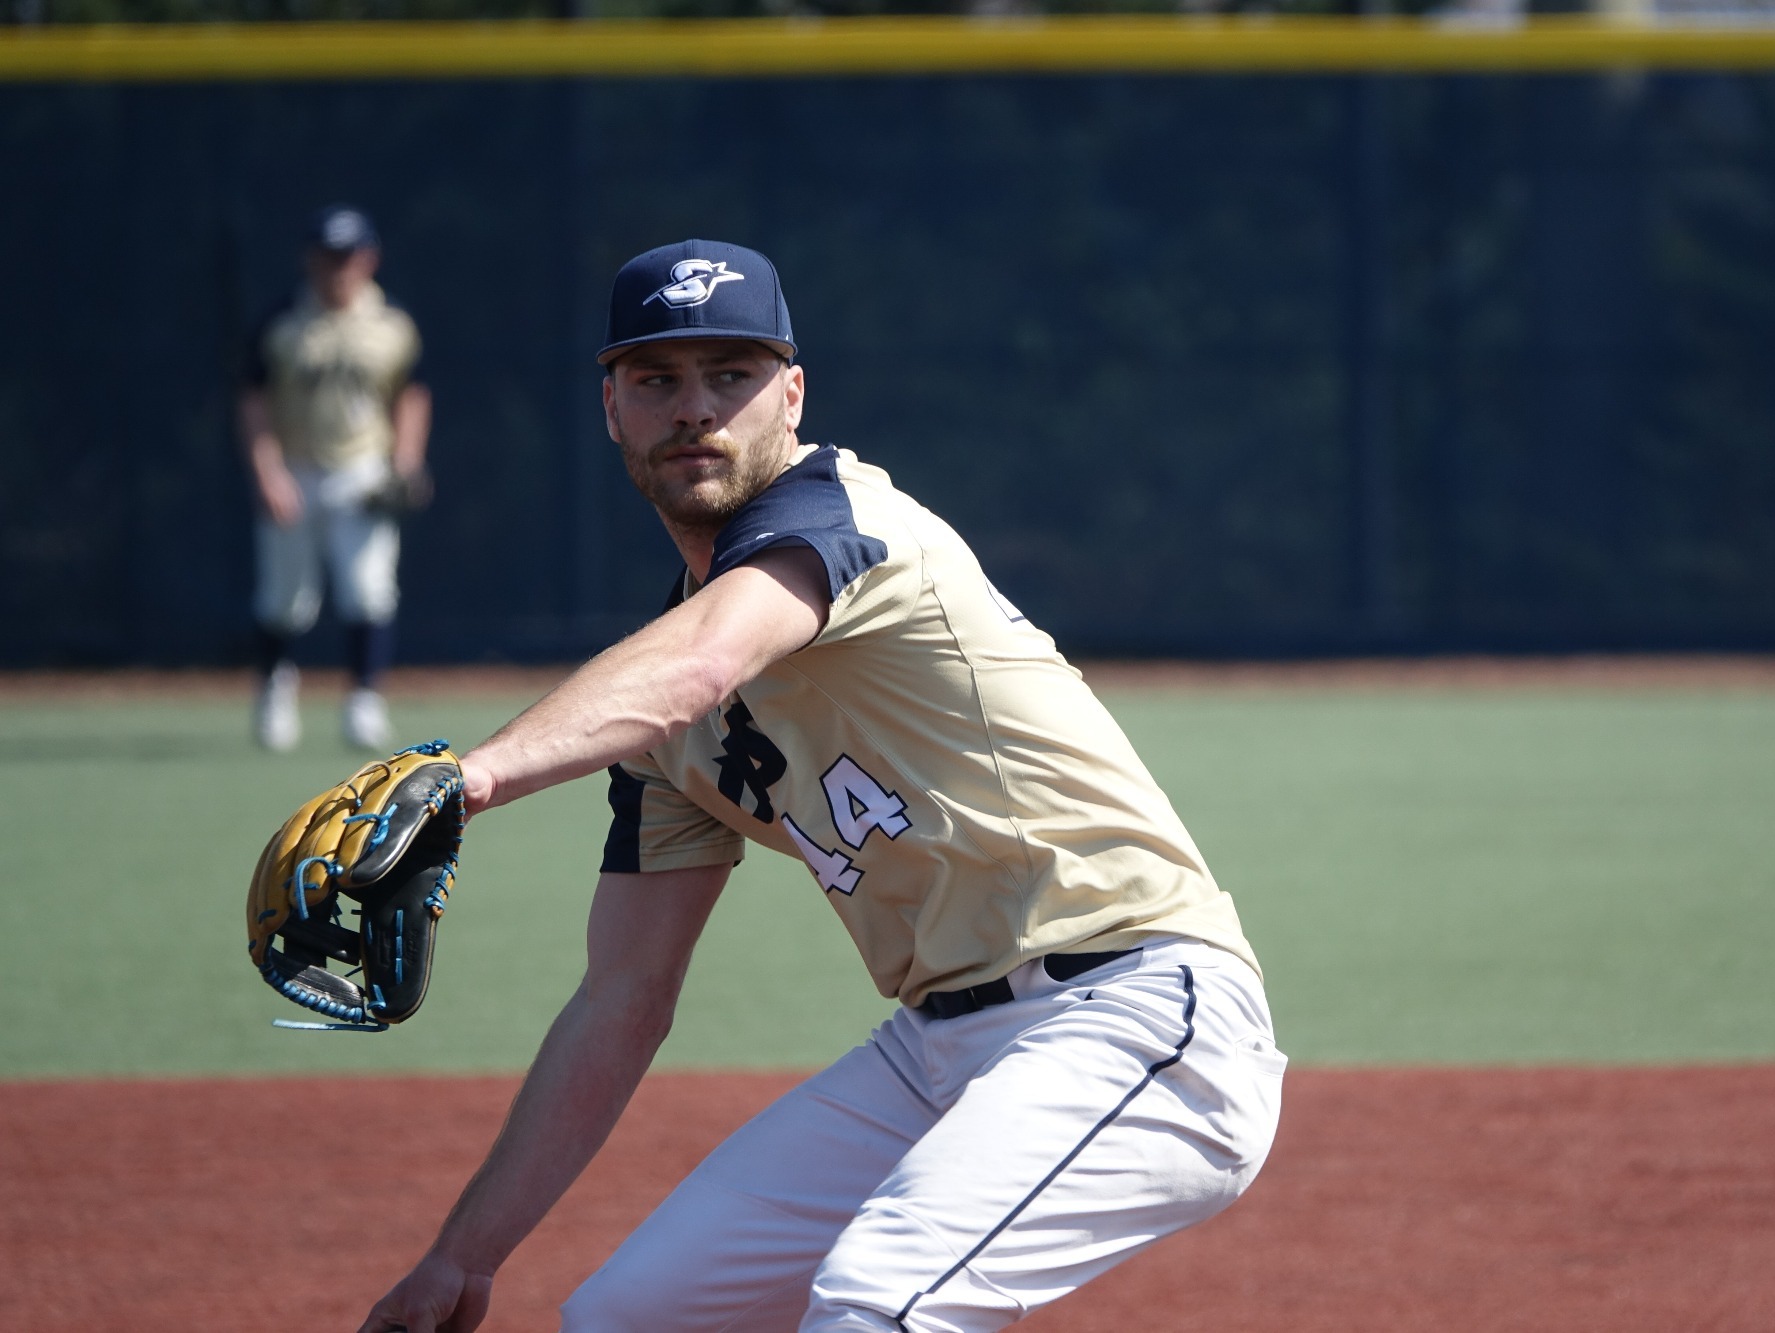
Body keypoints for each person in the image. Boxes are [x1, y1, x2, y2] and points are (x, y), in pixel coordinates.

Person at [359, 240, 1286, 1333]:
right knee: (624, 1319)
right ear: (611, 406)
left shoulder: (846, 523)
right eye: (657, 380)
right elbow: (621, 997)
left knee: (877, 1303)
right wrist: (463, 1257)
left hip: (1134, 1010)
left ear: (790, 395)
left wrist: (465, 781)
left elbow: (703, 660)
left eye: (730, 375)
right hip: (934, 1050)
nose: (694, 409)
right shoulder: (657, 715)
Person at [241, 204, 431, 752]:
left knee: (368, 591)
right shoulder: (282, 321)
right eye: (327, 257)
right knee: (284, 598)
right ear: (310, 259)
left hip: (362, 471)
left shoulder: (391, 322)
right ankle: (275, 691)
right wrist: (267, 471)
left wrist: (407, 460)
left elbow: (412, 393)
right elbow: (252, 400)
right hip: (295, 468)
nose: (337, 269)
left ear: (368, 258)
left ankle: (363, 702)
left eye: (347, 256)